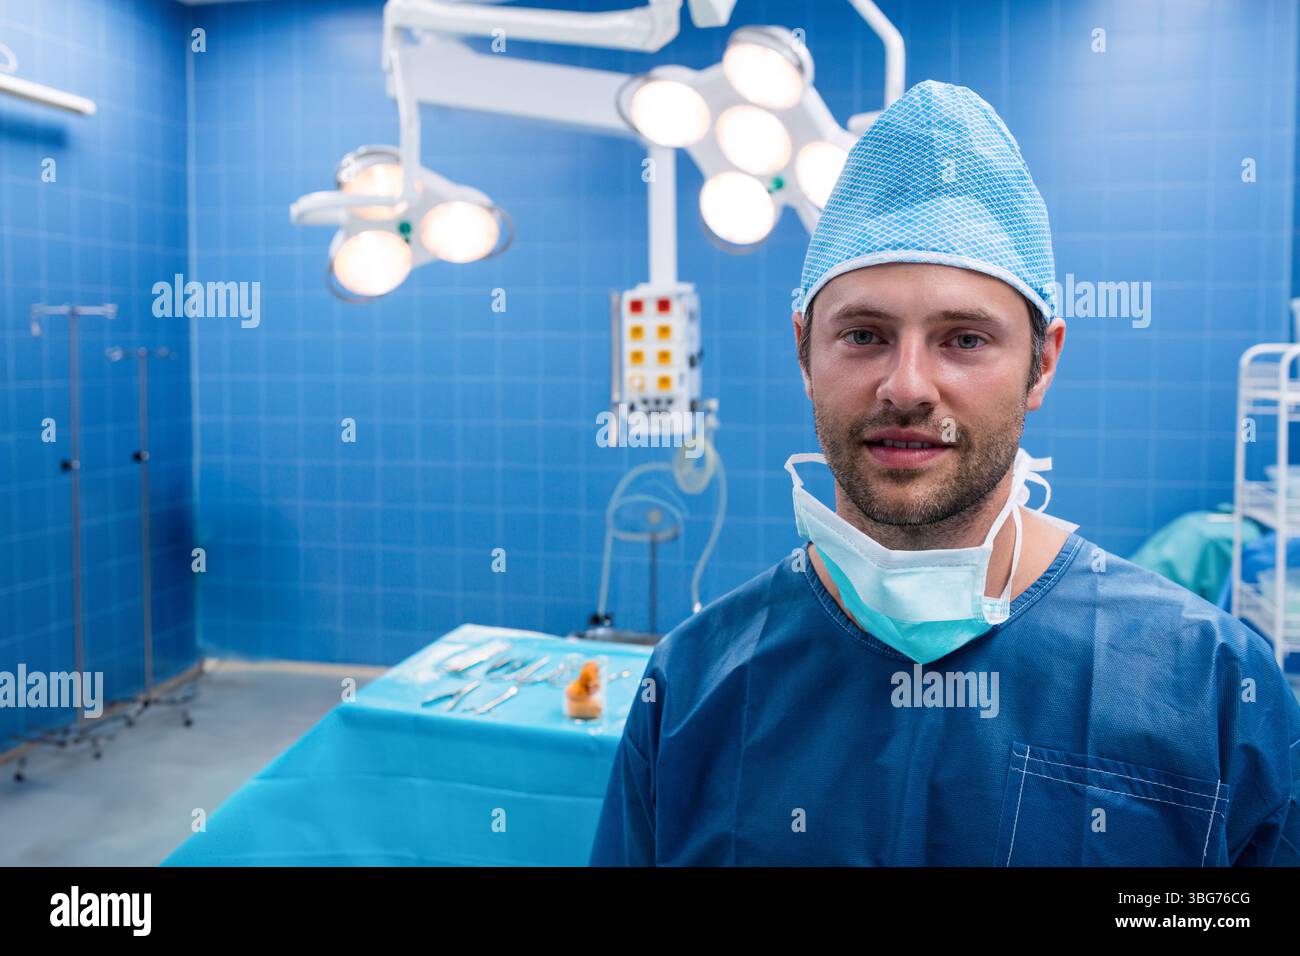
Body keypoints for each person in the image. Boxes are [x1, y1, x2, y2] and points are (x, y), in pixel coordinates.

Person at [588, 80, 1300, 866]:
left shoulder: (1206, 686)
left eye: (964, 339)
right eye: (864, 334)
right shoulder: (692, 687)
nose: (907, 387)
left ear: (1042, 363)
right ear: (804, 353)